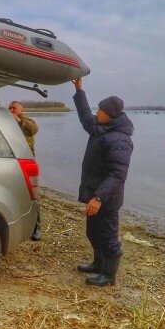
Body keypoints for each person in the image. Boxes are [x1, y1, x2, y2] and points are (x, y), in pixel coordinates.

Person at [72, 77, 134, 287]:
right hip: (95, 194)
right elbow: (84, 116)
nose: (97, 113)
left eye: (100, 110)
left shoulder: (119, 139)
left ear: (111, 114)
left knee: (108, 237)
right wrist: (80, 91)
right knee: (92, 232)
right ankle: (98, 264)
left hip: (107, 198)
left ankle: (109, 276)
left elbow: (118, 174)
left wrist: (99, 197)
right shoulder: (100, 127)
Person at [9, 101, 41, 241]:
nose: (11, 110)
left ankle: (37, 228)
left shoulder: (27, 121)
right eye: (9, 107)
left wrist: (15, 119)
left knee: (33, 197)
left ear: (21, 110)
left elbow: (32, 130)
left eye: (14, 108)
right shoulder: (7, 123)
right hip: (11, 162)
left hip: (26, 163)